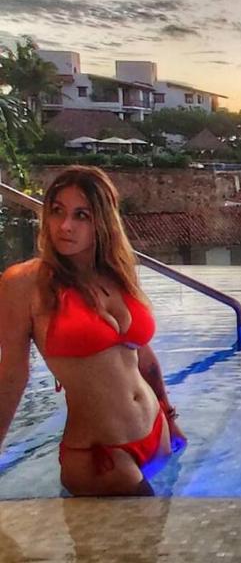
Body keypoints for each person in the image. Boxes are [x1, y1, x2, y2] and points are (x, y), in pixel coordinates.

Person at [0, 166, 185, 496]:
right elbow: (12, 376)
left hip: (156, 433)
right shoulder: (25, 283)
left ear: (103, 221)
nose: (65, 226)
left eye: (81, 215)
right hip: (101, 457)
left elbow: (142, 357)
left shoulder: (117, 272)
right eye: (57, 211)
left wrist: (169, 416)